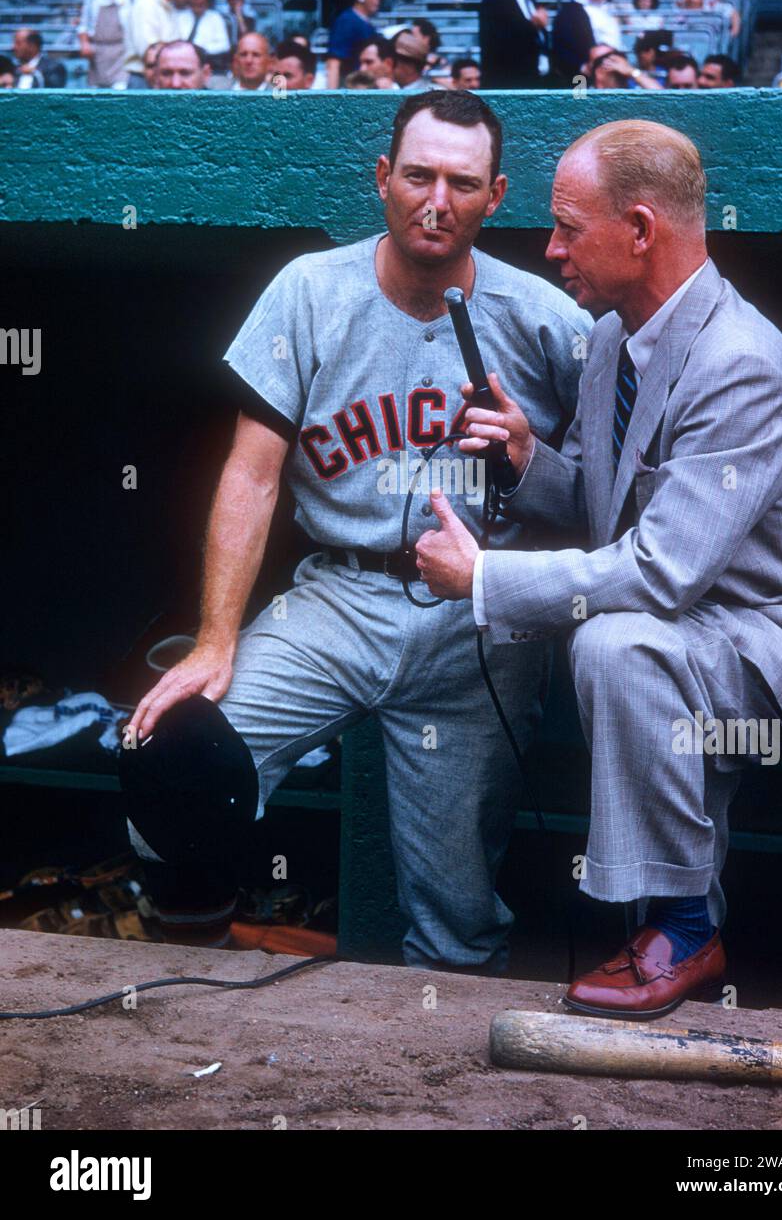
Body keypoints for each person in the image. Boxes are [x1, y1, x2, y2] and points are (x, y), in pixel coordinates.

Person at [121, 89, 592, 970]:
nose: (435, 200)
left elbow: (605, 500)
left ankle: (433, 1088)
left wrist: (530, 454)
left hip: (478, 617)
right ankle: (185, 984)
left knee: (453, 909)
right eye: (417, 175)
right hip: (336, 597)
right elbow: (251, 476)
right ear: (383, 178)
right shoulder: (309, 291)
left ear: (495, 198)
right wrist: (216, 639)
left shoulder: (547, 320)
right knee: (179, 754)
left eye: (461, 182)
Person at [414, 117, 782, 1015]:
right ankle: (669, 922)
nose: (550, 249)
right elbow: (605, 504)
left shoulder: (740, 363)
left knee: (616, 643)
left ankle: (687, 929)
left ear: (642, 230)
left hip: (772, 646)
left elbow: (656, 573)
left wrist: (486, 582)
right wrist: (526, 456)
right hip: (689, 623)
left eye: (568, 229)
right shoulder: (618, 335)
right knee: (623, 639)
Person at [125, 0, 191, 88]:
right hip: (146, 82)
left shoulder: (166, 5)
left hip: (165, 79)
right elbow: (151, 54)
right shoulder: (146, 5)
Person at [326, 0, 382, 87]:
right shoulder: (346, 21)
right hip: (350, 91)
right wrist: (331, 99)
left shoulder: (366, 23)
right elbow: (334, 63)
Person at [181, 0, 231, 69]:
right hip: (182, 58)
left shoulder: (216, 18)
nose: (197, 9)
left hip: (207, 60)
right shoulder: (181, 16)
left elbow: (225, 45)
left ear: (206, 4)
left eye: (200, 5)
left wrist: (200, 49)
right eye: (194, 5)